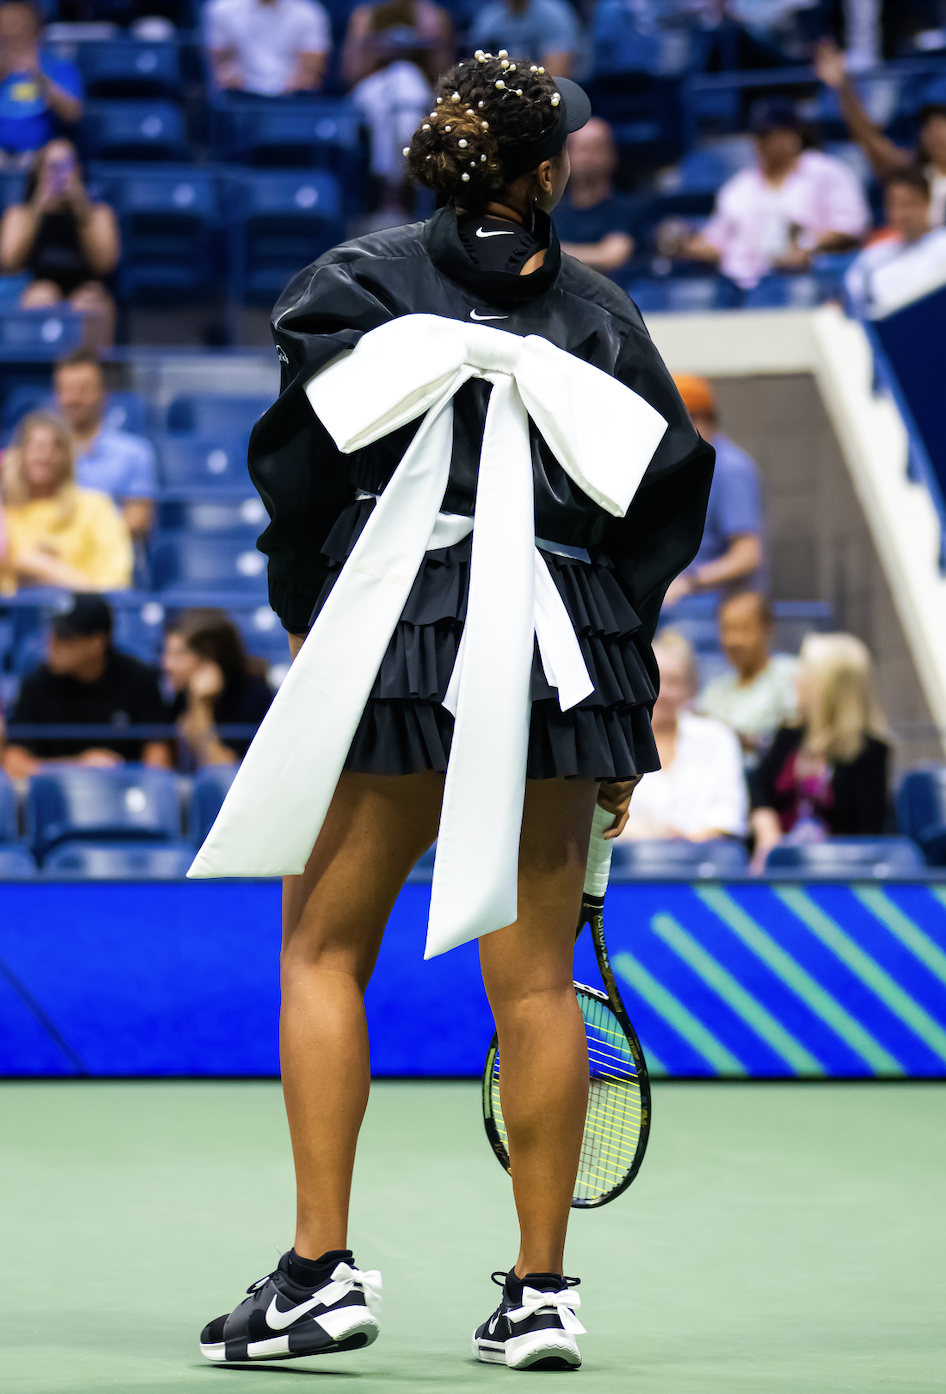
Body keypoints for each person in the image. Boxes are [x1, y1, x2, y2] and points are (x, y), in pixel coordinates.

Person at [186, 57, 714, 1372]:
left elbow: (296, 476)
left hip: (403, 635)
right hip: (560, 648)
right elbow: (658, 518)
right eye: (568, 151)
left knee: (321, 951)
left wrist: (314, 608)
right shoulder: (602, 313)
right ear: (540, 177)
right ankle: (540, 1295)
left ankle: (318, 1273)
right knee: (534, 981)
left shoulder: (354, 284)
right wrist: (621, 709)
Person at [682, 99, 870, 289]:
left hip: (810, 282)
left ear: (793, 136)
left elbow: (851, 228)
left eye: (769, 134)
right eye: (759, 135)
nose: (763, 142)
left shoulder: (826, 172)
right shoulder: (739, 187)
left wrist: (809, 244)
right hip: (744, 289)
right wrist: (684, 244)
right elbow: (718, 242)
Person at [749, 631, 890, 872]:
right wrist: (765, 826)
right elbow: (757, 786)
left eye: (804, 671)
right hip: (775, 868)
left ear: (828, 686)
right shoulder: (789, 735)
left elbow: (866, 836)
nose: (796, 678)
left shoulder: (869, 754)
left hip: (836, 878)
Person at [3, 592, 170, 778]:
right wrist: (79, 767)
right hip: (58, 799)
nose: (52, 643)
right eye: (52, 631)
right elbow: (14, 764)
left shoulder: (139, 679)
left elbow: (158, 765)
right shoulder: (36, 684)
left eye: (65, 636)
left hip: (126, 796)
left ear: (97, 641)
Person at [617, 629, 748, 842]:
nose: (664, 692)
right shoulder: (618, 741)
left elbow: (728, 816)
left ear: (690, 688)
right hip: (634, 861)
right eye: (655, 681)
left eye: (674, 681)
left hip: (706, 860)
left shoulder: (718, 738)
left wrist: (686, 842)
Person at [0, 140, 120, 348]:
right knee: (41, 297)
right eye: (51, 168)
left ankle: (91, 376)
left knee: (90, 304)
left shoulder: (99, 214)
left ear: (78, 171)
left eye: (66, 167)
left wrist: (81, 209)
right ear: (38, 173)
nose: (59, 176)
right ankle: (37, 376)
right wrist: (39, 208)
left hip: (88, 287)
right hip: (38, 287)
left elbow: (104, 265)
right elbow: (9, 262)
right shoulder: (20, 214)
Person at [815, 37, 946, 227]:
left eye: (943, 126)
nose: (937, 135)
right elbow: (871, 141)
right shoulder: (917, 175)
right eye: (929, 126)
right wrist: (843, 86)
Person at [0, 412, 132, 593]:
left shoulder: (95, 507)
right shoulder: (6, 513)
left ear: (68, 456)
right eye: (34, 446)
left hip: (81, 617)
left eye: (54, 447)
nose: (43, 456)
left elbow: (115, 583)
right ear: (18, 454)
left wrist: (44, 568)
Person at [344, 0, 452, 213]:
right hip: (371, 90)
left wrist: (427, 43)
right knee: (397, 84)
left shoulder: (433, 16)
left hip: (416, 93)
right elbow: (351, 74)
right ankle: (404, 188)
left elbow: (444, 78)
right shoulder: (365, 15)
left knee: (404, 79)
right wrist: (379, 50)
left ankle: (387, 189)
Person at [665, 374, 764, 604]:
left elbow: (747, 555)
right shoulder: (690, 467)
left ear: (701, 418)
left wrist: (687, 584)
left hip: (716, 618)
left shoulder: (730, 468)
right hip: (682, 614)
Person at [53, 349, 158, 545]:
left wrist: (80, 542)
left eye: (83, 390)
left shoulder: (134, 453)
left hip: (107, 561)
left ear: (104, 395)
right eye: (66, 390)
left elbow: (138, 521)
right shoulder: (40, 455)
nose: (74, 399)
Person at [162, 609, 273, 769]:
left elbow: (222, 772)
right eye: (166, 653)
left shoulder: (254, 695)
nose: (166, 664)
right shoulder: (181, 692)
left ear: (209, 659)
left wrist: (201, 705)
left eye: (179, 655)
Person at [699, 590, 798, 761]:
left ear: (767, 628)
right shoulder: (715, 690)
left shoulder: (790, 676)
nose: (732, 640)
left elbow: (789, 740)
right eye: (726, 629)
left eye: (743, 629)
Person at [844, 169, 946, 318]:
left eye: (908, 204)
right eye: (893, 206)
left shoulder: (942, 244)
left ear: (927, 202)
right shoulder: (871, 259)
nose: (901, 213)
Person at [0, 1, 82, 169]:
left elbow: (73, 114)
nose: (13, 32)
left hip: (40, 155)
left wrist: (37, 76)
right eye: (6, 27)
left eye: (20, 25)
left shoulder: (58, 66)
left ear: (37, 29)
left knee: (59, 154)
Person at [553, 117, 636, 276]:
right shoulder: (547, 211)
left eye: (596, 149)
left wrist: (549, 253)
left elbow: (613, 256)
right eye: (581, 149)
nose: (587, 157)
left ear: (612, 156)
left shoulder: (629, 208)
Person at [205, 0, 332, 95]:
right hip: (239, 101)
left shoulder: (310, 13)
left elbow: (310, 77)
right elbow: (221, 71)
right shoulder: (221, 10)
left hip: (292, 101)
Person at [469, 0, 580, 78]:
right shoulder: (488, 19)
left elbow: (558, 75)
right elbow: (480, 71)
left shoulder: (555, 15)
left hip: (540, 94)